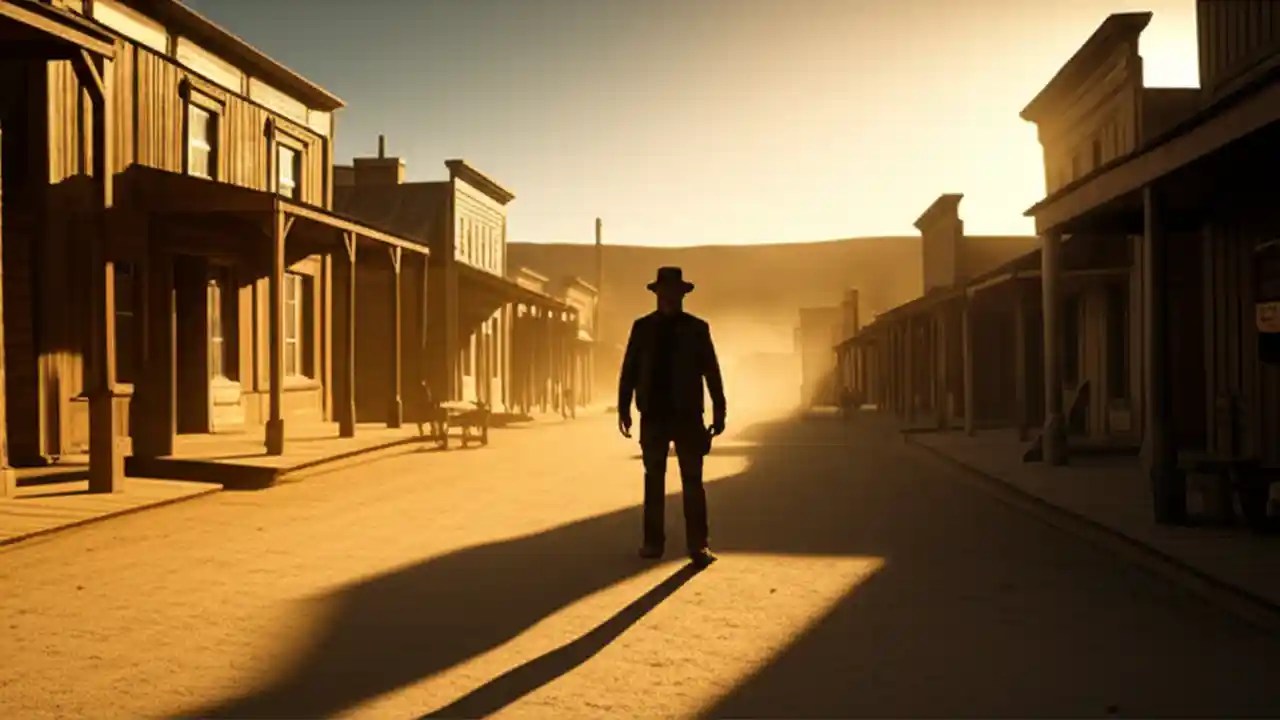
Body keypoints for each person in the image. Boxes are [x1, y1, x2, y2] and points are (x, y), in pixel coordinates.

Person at [617, 266, 726, 569]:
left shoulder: (697, 329)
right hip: (653, 415)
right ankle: (653, 543)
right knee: (654, 481)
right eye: (664, 292)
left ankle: (698, 544)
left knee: (693, 482)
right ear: (657, 294)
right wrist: (623, 407)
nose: (669, 297)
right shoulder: (642, 328)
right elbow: (629, 370)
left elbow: (712, 372)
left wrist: (719, 409)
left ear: (682, 295)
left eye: (674, 292)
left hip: (689, 415)